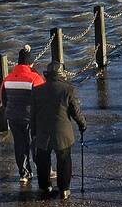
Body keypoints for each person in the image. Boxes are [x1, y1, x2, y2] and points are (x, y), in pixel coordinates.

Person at [30, 61, 87, 199]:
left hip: (43, 133)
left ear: (48, 75)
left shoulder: (37, 90)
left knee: (43, 161)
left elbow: (33, 115)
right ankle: (64, 190)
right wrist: (82, 124)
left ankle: (45, 187)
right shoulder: (68, 90)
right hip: (63, 134)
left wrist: (34, 133)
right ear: (62, 74)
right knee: (64, 161)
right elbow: (75, 112)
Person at [0, 45, 44, 184]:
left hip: (12, 116)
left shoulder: (7, 79)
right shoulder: (35, 78)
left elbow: (3, 99)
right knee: (35, 143)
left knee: (19, 144)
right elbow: (42, 98)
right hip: (31, 117)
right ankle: (43, 171)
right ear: (31, 63)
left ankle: (24, 174)